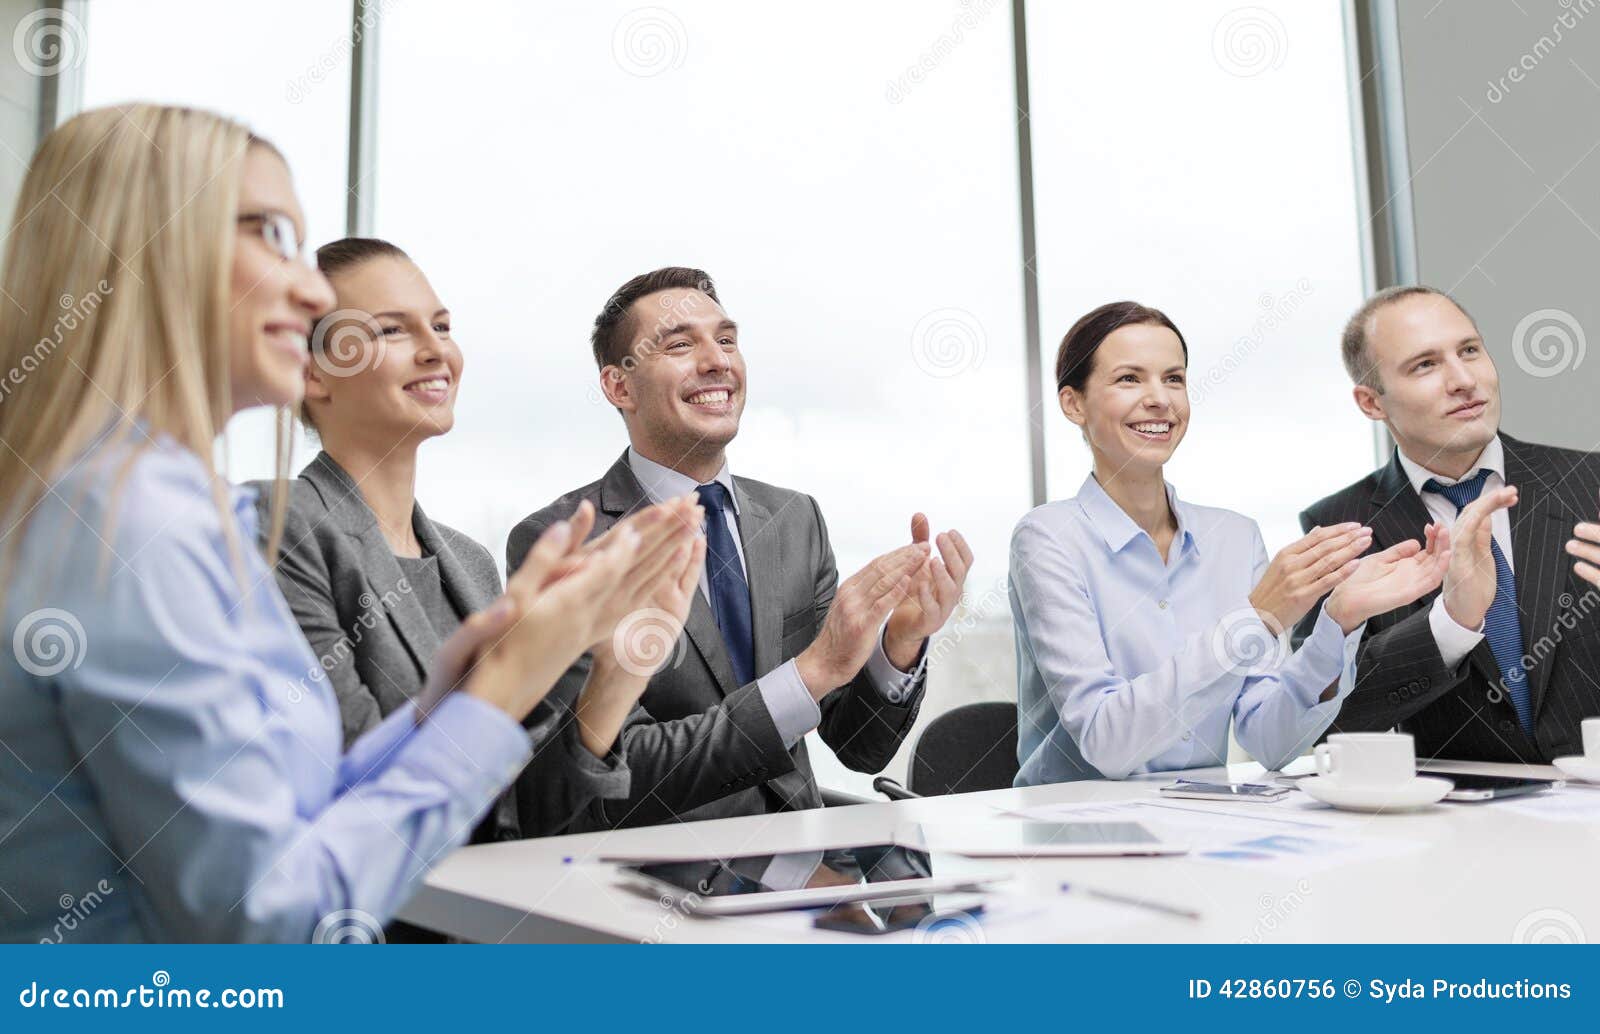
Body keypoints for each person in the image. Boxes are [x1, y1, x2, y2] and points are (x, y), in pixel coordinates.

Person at [0, 105, 688, 942]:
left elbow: (290, 814)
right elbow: (268, 922)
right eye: (267, 234)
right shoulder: (130, 523)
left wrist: (456, 702)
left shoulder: (168, 505)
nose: (312, 288)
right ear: (142, 256)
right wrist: (505, 687)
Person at [260, 238, 698, 845]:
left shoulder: (468, 562)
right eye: (392, 330)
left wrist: (617, 669)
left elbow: (528, 815)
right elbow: (358, 791)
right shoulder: (279, 525)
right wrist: (533, 649)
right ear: (313, 374)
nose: (436, 349)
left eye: (441, 325)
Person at [506, 267, 973, 829]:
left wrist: (899, 643)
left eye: (726, 339)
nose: (717, 361)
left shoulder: (794, 518)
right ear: (619, 386)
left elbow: (859, 749)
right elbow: (611, 777)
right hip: (654, 876)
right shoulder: (563, 542)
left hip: (803, 867)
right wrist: (812, 670)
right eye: (681, 345)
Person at [1011, 301, 1448, 785]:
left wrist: (1338, 623)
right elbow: (1107, 743)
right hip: (1071, 833)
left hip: (1197, 826)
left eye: (1173, 378)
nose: (1160, 399)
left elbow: (1270, 741)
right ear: (1073, 403)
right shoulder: (1048, 539)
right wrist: (1256, 618)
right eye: (1129, 379)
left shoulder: (1235, 538)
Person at [1295, 285, 1600, 763]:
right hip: (1456, 825)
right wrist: (1449, 625)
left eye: (1470, 351)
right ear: (1372, 403)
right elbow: (1324, 721)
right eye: (1425, 365)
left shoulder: (1591, 484)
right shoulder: (1340, 527)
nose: (1463, 380)